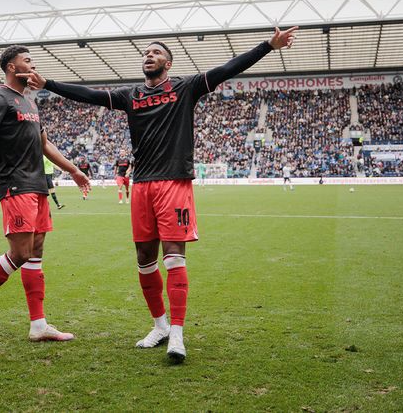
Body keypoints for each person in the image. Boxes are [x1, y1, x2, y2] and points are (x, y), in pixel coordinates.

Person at [21, 27, 297, 363]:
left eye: (154, 52)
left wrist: (269, 45)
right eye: (145, 53)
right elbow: (89, 95)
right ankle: (160, 325)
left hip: (174, 183)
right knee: (144, 259)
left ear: (168, 61)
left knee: (174, 257)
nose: (148, 56)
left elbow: (229, 68)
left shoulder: (186, 87)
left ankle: (178, 335)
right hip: (142, 185)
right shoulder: (131, 95)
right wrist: (49, 84)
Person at [0, 45, 90, 344]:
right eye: (28, 61)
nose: (34, 66)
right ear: (12, 68)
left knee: (36, 252)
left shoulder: (29, 102)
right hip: (16, 184)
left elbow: (45, 144)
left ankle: (38, 325)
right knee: (20, 253)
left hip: (37, 185)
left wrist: (73, 170)